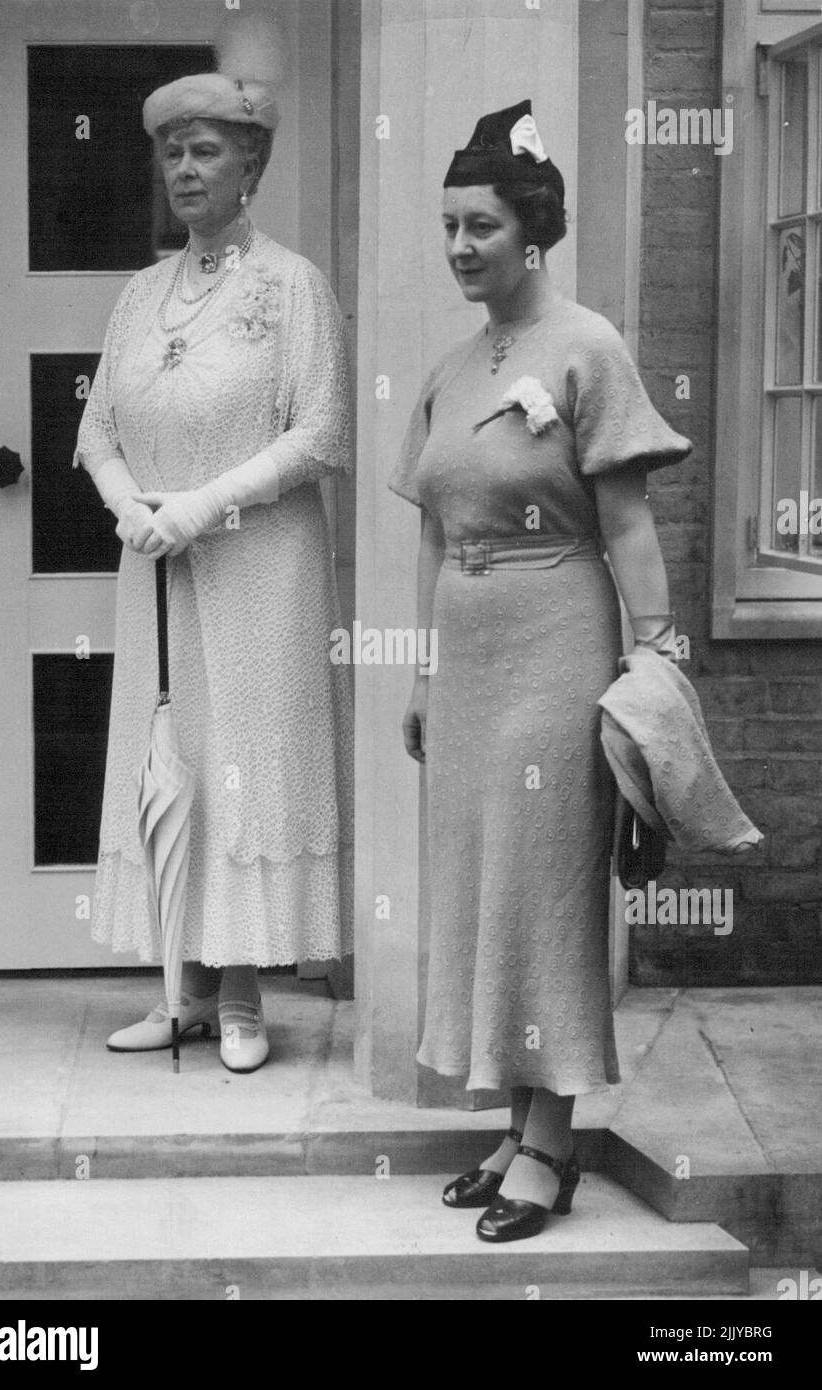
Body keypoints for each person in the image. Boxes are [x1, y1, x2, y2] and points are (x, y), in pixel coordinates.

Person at [389, 100, 691, 1242]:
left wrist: (652, 657)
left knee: (544, 888)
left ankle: (553, 1140)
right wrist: (420, 672)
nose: (461, 246)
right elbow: (426, 527)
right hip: (465, 655)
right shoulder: (456, 365)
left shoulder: (585, 346)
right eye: (449, 226)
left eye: (481, 226)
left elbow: (625, 525)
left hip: (556, 635)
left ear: (533, 232)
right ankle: (515, 1124)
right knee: (484, 888)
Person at [74, 15, 352, 1074]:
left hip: (257, 569)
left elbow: (320, 429)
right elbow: (96, 427)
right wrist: (126, 500)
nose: (184, 170)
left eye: (205, 152)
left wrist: (202, 504)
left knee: (239, 761)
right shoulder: (142, 294)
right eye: (170, 152)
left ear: (252, 166)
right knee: (169, 759)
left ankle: (241, 996)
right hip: (155, 562)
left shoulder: (291, 288)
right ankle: (180, 991)